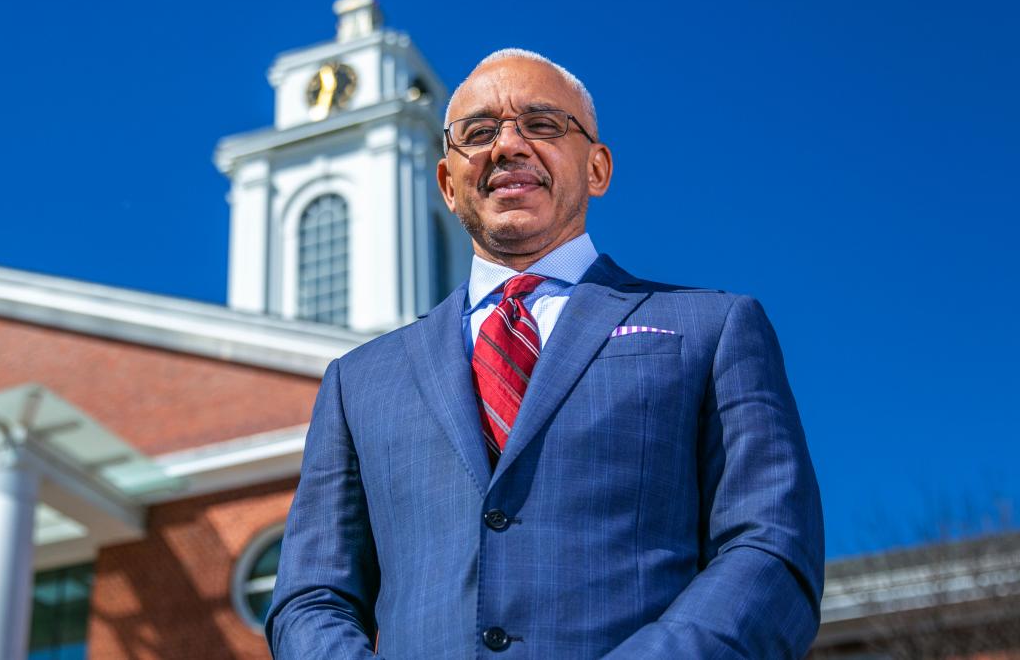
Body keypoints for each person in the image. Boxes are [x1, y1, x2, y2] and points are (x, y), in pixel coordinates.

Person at [266, 49, 823, 659]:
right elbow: (312, 596)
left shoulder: (712, 329)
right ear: (449, 186)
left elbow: (770, 547)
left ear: (597, 169)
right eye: (478, 134)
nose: (508, 145)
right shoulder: (358, 382)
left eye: (542, 124)